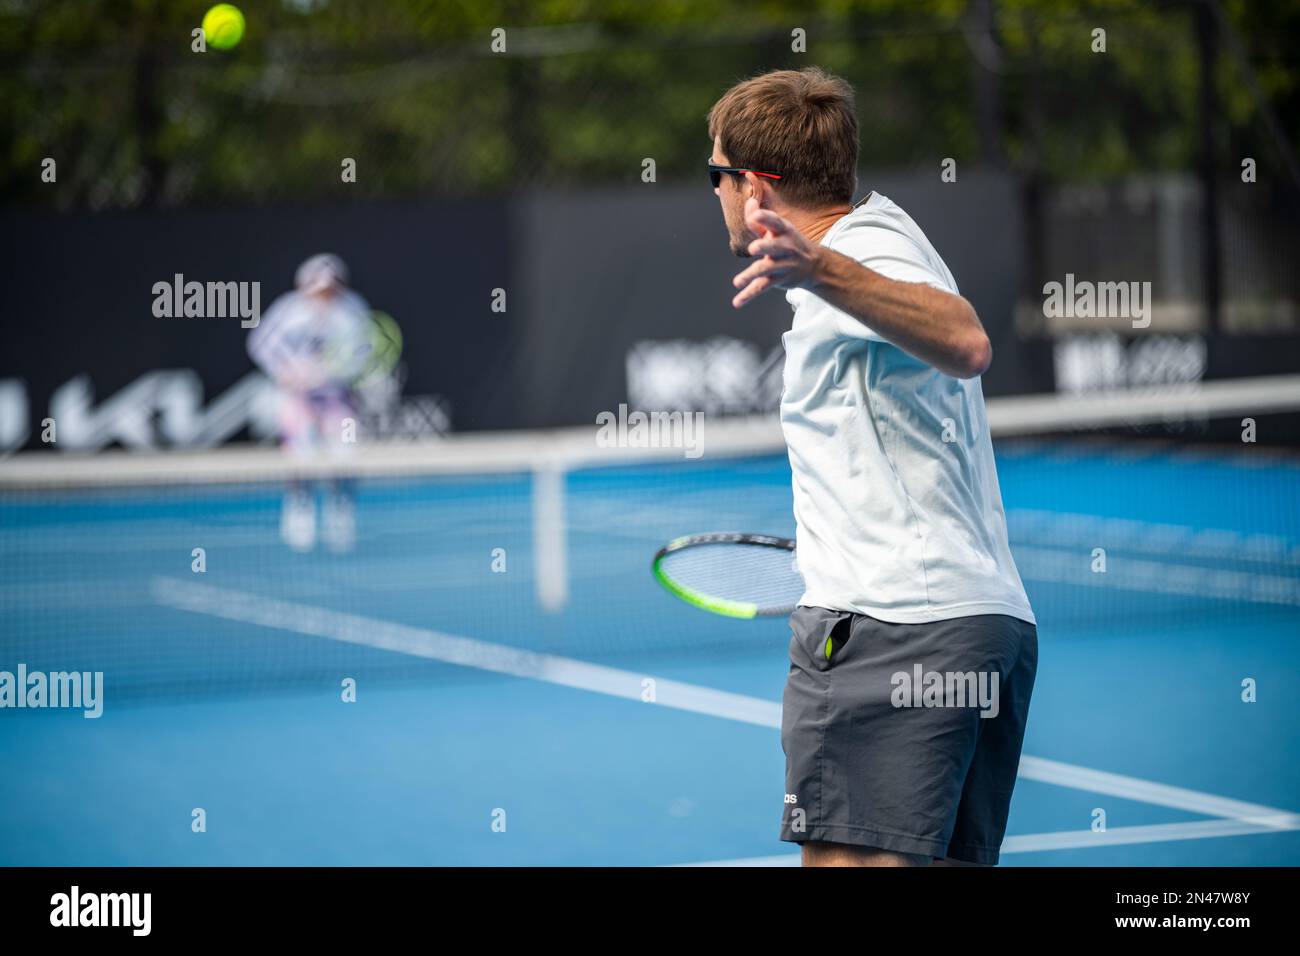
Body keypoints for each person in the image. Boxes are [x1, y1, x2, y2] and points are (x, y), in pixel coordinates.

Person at [707, 68, 1037, 867]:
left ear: (754, 187)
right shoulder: (882, 233)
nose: (711, 193)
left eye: (715, 175)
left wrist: (819, 269)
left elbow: (966, 343)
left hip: (892, 633)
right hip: (974, 630)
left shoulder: (858, 254)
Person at [247, 253, 372, 553]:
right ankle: (299, 512)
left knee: (346, 452)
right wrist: (286, 374)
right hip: (296, 399)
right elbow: (259, 343)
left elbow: (364, 352)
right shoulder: (288, 310)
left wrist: (335, 373)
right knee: (299, 456)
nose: (325, 294)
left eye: (331, 288)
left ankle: (341, 513)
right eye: (318, 288)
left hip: (337, 399)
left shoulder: (353, 311)